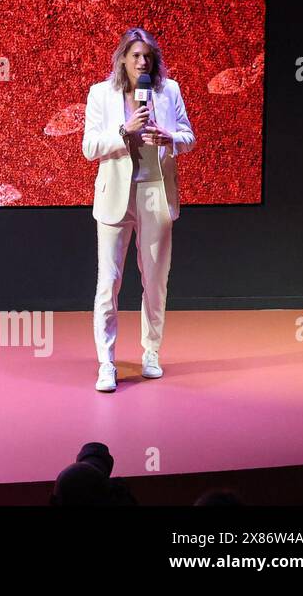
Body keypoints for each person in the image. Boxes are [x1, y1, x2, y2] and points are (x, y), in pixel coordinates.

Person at [82, 28, 194, 393]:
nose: (142, 62)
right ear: (122, 59)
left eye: (147, 56)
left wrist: (169, 138)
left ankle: (151, 353)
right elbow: (90, 147)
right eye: (135, 56)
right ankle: (106, 362)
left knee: (155, 279)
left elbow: (188, 137)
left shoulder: (168, 90)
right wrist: (123, 131)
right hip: (115, 194)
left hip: (154, 192)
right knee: (109, 281)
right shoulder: (102, 93)